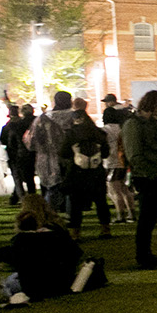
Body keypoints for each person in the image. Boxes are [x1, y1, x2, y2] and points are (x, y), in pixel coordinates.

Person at [121, 90, 157, 269]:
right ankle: (143, 256)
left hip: (156, 174)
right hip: (146, 176)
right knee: (146, 218)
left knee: (150, 218)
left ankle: (146, 254)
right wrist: (154, 171)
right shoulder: (134, 124)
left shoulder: (153, 123)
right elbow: (134, 154)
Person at [2, 194, 84, 304]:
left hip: (37, 282)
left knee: (9, 282)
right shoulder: (58, 229)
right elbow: (75, 253)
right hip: (62, 279)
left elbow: (13, 260)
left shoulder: (23, 239)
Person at [57, 100, 112, 239]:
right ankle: (105, 229)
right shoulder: (99, 133)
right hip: (96, 172)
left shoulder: (71, 134)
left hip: (77, 172)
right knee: (101, 202)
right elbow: (105, 153)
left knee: (75, 204)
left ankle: (76, 233)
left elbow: (63, 152)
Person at [29, 91, 76, 215]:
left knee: (52, 189)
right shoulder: (75, 117)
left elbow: (31, 141)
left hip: (48, 159)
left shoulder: (43, 119)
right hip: (72, 157)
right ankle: (71, 216)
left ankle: (50, 216)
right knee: (71, 190)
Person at [1, 104, 36, 203]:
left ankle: (22, 199)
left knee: (17, 177)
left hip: (17, 154)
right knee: (29, 178)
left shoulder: (12, 125)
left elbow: (7, 140)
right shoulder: (33, 123)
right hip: (30, 153)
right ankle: (28, 197)